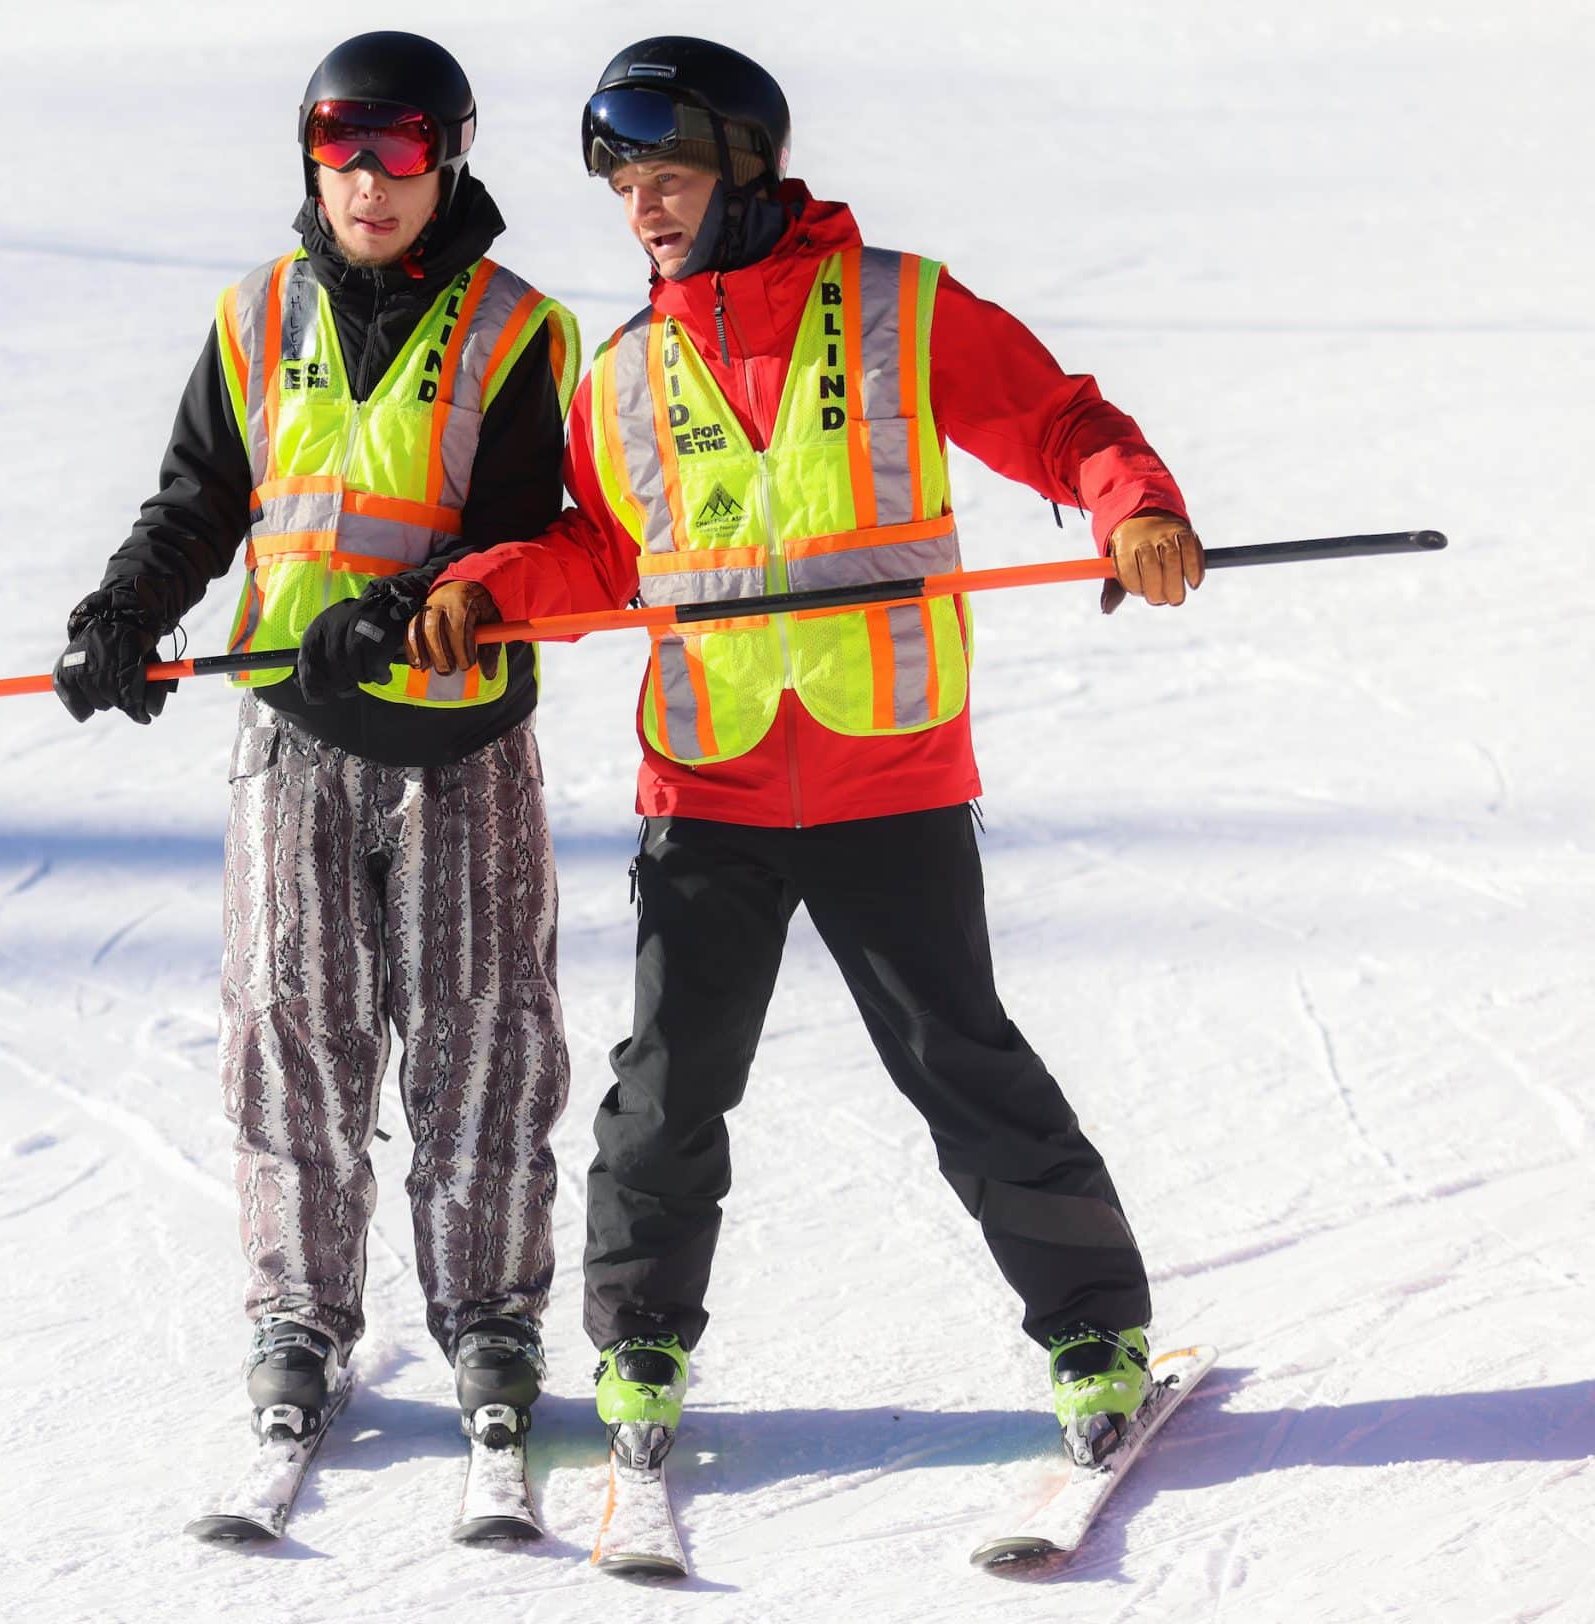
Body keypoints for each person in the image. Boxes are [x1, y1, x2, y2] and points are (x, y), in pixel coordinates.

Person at [406, 36, 1204, 1468]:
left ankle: (1094, 1327)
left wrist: (1132, 507)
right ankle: (638, 1344)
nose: (647, 208)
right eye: (629, 185)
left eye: (673, 176)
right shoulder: (630, 370)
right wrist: (486, 589)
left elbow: (1060, 420)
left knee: (960, 1059)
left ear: (751, 164)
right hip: (706, 777)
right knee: (670, 1080)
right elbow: (599, 549)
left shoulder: (896, 309)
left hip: (884, 769)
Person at [50, 31, 580, 1451]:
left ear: (449, 156)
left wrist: (405, 608)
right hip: (292, 732)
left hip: (459, 735)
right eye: (341, 144)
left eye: (402, 148)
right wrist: (127, 609)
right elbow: (199, 502)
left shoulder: (519, 328)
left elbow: (529, 531)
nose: (369, 178)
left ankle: (490, 1315)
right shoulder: (255, 315)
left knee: (480, 1027)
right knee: (293, 1023)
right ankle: (300, 1313)